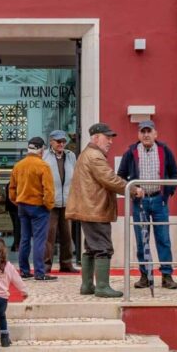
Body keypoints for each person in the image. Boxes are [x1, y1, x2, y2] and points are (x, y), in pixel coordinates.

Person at [67, 122, 130, 298]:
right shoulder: (95, 156)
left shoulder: (87, 154)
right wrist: (132, 189)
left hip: (89, 208)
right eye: (107, 137)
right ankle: (102, 287)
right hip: (95, 209)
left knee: (91, 248)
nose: (110, 141)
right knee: (103, 248)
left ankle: (87, 285)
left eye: (111, 137)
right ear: (95, 137)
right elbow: (110, 179)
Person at [116, 120, 177, 290]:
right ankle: (145, 275)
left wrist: (169, 191)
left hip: (160, 200)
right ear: (138, 134)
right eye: (142, 132)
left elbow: (174, 173)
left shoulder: (164, 150)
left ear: (155, 134)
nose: (145, 135)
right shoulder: (131, 152)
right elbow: (120, 176)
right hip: (140, 202)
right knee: (141, 239)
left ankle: (167, 275)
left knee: (164, 239)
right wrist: (132, 190)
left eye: (149, 131)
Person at [9, 137, 57, 280]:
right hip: (39, 207)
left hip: (22, 206)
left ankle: (24, 271)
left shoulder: (18, 166)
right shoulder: (43, 166)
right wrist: (49, 206)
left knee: (24, 239)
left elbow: (11, 189)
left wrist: (17, 202)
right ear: (41, 149)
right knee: (39, 240)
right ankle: (39, 272)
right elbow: (49, 190)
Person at [43, 129, 80, 273]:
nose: (61, 144)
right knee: (49, 235)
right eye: (58, 141)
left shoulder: (71, 156)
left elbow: (76, 176)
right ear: (51, 141)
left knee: (67, 235)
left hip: (67, 201)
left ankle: (66, 263)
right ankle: (46, 264)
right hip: (51, 202)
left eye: (63, 141)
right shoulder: (44, 156)